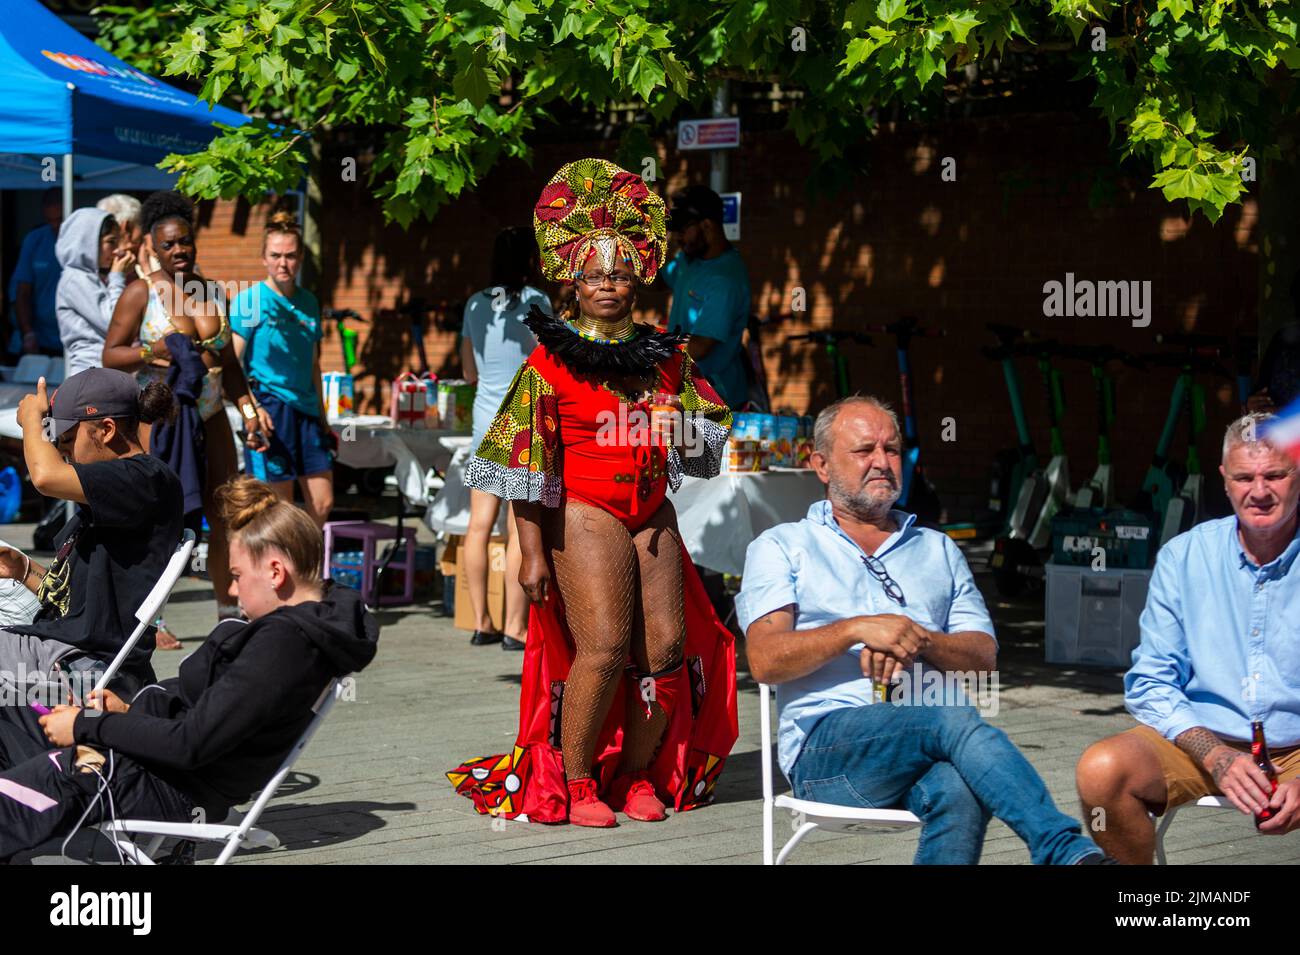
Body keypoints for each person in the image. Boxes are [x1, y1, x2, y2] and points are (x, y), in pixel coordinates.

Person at [448, 158, 738, 827]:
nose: (609, 283)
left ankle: (636, 773)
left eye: (620, 272)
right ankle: (578, 780)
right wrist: (530, 553)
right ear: (572, 283)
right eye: (595, 273)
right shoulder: (548, 360)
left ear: (637, 278)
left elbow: (706, 444)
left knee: (664, 650)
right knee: (605, 645)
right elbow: (525, 464)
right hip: (583, 510)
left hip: (650, 513)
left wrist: (683, 426)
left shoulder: (667, 358)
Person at [736, 395, 1112, 864]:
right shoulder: (783, 545)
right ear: (822, 464)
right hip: (828, 754)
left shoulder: (937, 549)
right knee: (945, 717)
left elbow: (984, 657)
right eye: (864, 451)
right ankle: (1061, 848)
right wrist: (856, 630)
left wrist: (920, 639)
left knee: (959, 789)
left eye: (891, 450)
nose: (882, 462)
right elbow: (765, 660)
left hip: (927, 746)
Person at [0, 477, 379, 862]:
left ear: (276, 572)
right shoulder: (301, 633)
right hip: (146, 766)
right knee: (10, 707)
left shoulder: (282, 647)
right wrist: (127, 712)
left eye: (236, 576)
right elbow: (208, 721)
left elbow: (191, 744)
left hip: (150, 784)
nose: (232, 592)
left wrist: (85, 725)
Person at [1076, 413, 1300, 863]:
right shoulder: (1184, 556)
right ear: (1224, 479)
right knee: (1102, 772)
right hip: (1206, 738)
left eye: (1275, 474)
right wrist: (1216, 756)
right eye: (1244, 477)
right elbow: (1152, 679)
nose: (1259, 491)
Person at [103, 190, 266, 622]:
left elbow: (229, 365)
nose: (178, 250)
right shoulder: (141, 293)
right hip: (162, 420)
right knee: (160, 520)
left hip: (211, 415)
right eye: (168, 244)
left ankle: (228, 610)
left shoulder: (212, 290)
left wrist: (250, 413)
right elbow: (111, 354)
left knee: (225, 513)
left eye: (185, 242)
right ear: (154, 249)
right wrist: (147, 352)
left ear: (195, 243)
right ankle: (150, 619)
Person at [0, 368, 182, 702]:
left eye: (67, 441)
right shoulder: (116, 492)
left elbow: (44, 476)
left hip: (82, 663)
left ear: (107, 429)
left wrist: (31, 422)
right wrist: (23, 570)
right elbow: (73, 601)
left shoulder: (146, 480)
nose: (64, 452)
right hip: (62, 651)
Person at [458, 225, 549, 650]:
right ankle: (515, 628)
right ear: (529, 260)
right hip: (522, 424)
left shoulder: (475, 304)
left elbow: (468, 373)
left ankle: (481, 623)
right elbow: (549, 363)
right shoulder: (536, 302)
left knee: (478, 526)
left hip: (482, 423)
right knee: (519, 529)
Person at [229, 211, 334, 526]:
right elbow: (232, 363)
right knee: (279, 507)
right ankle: (283, 572)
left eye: (290, 256)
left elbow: (314, 363)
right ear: (263, 257)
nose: (283, 263)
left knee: (323, 502)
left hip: (308, 411)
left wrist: (324, 417)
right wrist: (252, 409)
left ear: (300, 257)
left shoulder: (309, 302)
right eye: (275, 255)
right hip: (271, 409)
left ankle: (309, 571)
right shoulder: (250, 300)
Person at [662, 184, 751, 410]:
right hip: (687, 390)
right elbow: (661, 280)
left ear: (707, 225)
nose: (678, 238)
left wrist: (650, 351)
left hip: (716, 401)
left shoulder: (724, 280)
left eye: (683, 230)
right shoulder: (689, 261)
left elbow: (700, 347)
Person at [55, 207, 136, 379]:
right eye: (111, 242)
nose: (116, 251)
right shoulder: (75, 279)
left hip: (105, 374)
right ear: (88, 243)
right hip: (90, 375)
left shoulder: (93, 277)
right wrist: (117, 276)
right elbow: (115, 324)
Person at [7, 188, 64, 357]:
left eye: (59, 220)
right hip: (41, 339)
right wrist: (28, 333)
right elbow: (22, 291)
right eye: (49, 220)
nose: (54, 226)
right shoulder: (35, 239)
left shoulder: (82, 239)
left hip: (74, 339)